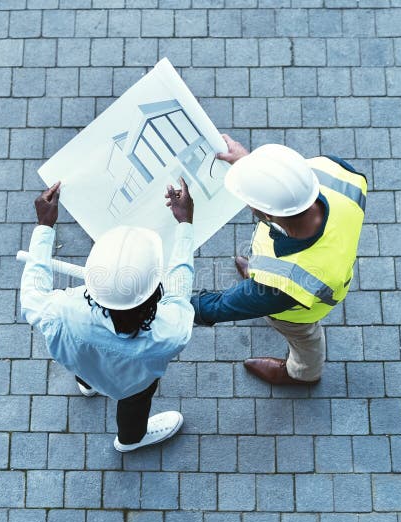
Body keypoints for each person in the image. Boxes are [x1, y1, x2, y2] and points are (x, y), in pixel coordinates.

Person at [20, 178, 195, 452]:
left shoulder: (60, 311)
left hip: (80, 361)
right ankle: (130, 439)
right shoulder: (171, 333)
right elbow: (179, 290)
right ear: (151, 292)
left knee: (85, 364)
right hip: (132, 385)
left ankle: (87, 385)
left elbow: (31, 294)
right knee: (134, 406)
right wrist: (185, 225)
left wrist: (44, 227)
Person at [191, 135, 367, 386]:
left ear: (264, 213)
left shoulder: (284, 284)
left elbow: (219, 307)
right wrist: (248, 163)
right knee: (262, 279)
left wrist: (160, 306)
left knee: (305, 338)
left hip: (296, 309)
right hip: (297, 273)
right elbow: (286, 185)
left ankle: (303, 373)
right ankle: (257, 273)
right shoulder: (333, 170)